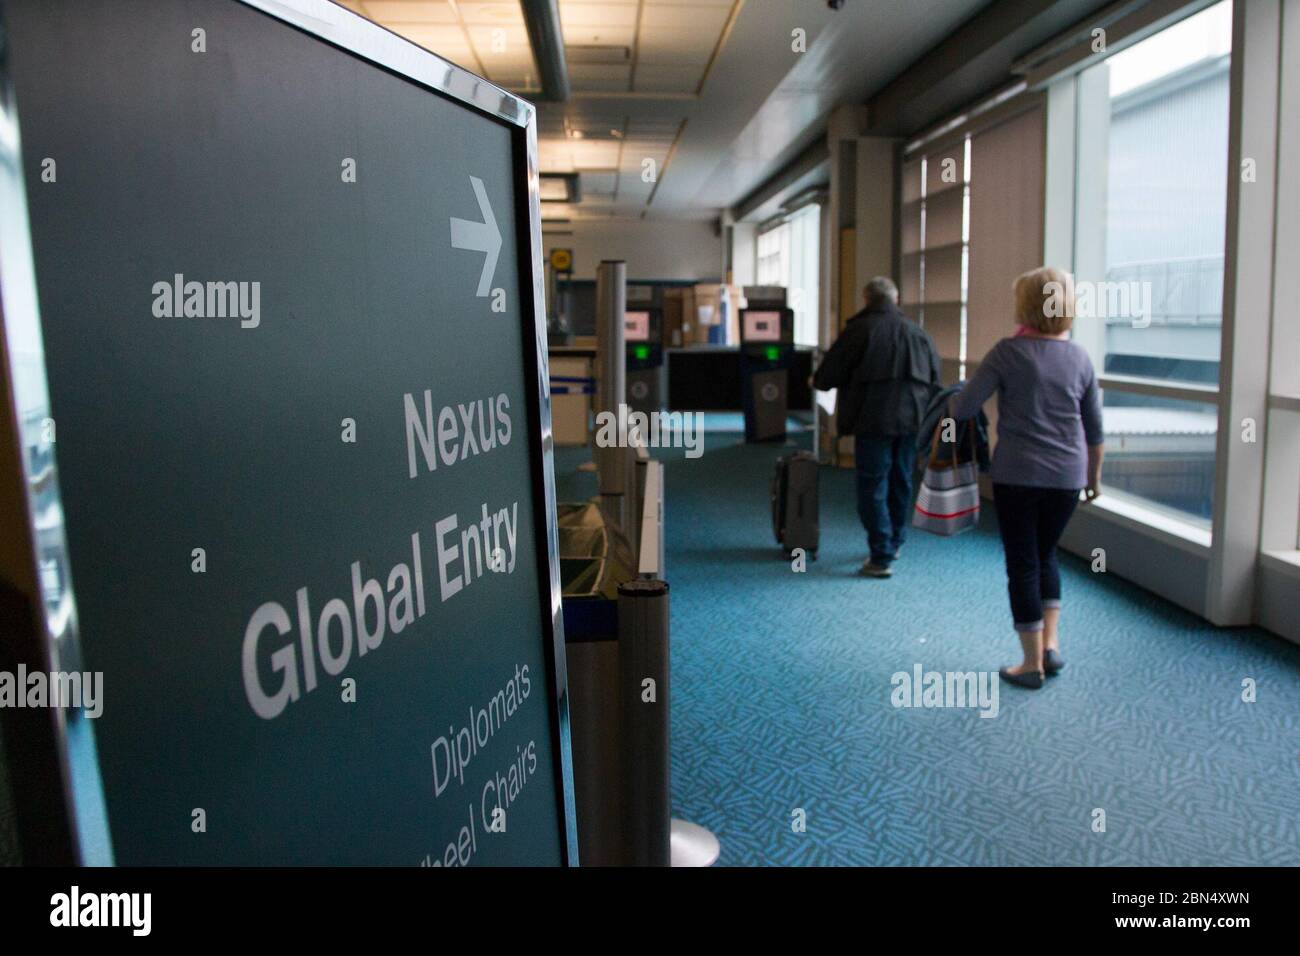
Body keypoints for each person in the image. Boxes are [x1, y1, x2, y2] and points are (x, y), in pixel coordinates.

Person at [949, 266, 1105, 690]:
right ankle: (1051, 645)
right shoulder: (1080, 357)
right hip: (1068, 477)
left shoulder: (1006, 353)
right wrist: (1094, 477)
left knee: (1022, 563)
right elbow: (1094, 429)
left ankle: (1030, 663)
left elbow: (962, 410)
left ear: (1025, 304)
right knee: (1046, 553)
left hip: (1019, 473)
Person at [813, 277, 941, 578]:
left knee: (872, 484)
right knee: (901, 480)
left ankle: (881, 553)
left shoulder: (859, 330)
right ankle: (894, 541)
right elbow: (936, 381)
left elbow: (827, 375)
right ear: (896, 300)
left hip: (873, 420)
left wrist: (819, 381)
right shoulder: (918, 333)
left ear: (866, 299)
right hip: (912, 420)